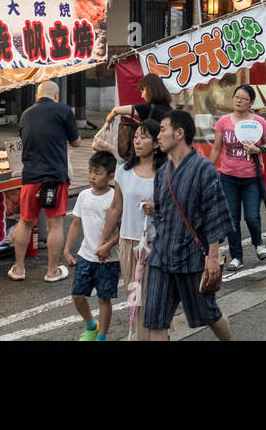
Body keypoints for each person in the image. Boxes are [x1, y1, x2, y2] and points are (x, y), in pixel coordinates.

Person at [142, 110, 233, 340]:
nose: (158, 136)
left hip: (192, 258)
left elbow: (214, 213)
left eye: (163, 130)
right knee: (155, 321)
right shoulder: (163, 172)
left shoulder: (204, 169)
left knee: (209, 314)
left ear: (180, 133)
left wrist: (212, 257)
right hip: (162, 255)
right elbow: (161, 213)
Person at [10, 80, 82, 282]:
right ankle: (51, 271)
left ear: (36, 95)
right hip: (54, 177)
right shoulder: (63, 111)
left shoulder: (26, 114)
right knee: (56, 224)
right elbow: (76, 141)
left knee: (25, 222)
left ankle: (19, 269)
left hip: (30, 176)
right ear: (56, 95)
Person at [103, 118, 162, 341]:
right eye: (136, 137)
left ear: (157, 144)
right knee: (136, 298)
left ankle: (150, 336)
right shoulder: (123, 171)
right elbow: (115, 207)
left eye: (143, 137)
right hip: (129, 243)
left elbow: (176, 206)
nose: (137, 141)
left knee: (151, 299)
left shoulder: (166, 171)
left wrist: (157, 207)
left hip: (156, 243)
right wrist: (103, 241)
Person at [209, 83, 266, 270]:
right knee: (232, 218)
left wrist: (257, 149)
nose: (239, 100)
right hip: (228, 177)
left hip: (252, 177)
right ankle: (237, 256)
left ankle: (258, 241)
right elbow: (216, 148)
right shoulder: (223, 122)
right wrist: (207, 169)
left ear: (251, 102)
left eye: (244, 98)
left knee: (252, 217)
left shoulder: (259, 122)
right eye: (237, 96)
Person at [66, 151, 121, 341]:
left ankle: (102, 336)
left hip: (109, 259)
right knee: (77, 295)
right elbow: (75, 224)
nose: (91, 176)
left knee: (104, 298)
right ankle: (91, 324)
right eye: (90, 171)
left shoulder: (115, 198)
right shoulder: (83, 195)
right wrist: (67, 249)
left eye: (97, 172)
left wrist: (108, 246)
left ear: (111, 176)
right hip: (85, 255)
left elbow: (122, 231)